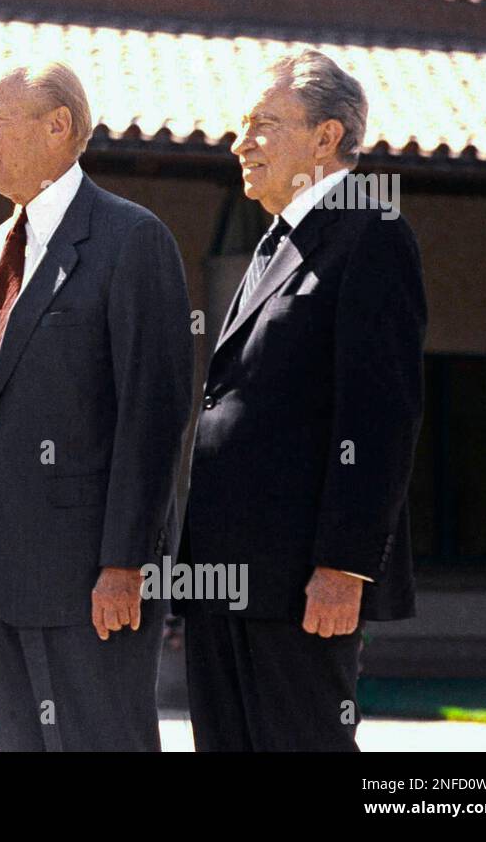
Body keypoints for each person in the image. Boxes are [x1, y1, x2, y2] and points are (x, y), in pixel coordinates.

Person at [179, 50, 426, 751]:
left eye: (263, 124)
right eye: (241, 126)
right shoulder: (273, 245)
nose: (240, 142)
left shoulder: (371, 234)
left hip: (298, 580)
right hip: (227, 571)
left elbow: (381, 417)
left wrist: (344, 566)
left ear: (326, 138)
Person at [0, 62, 194, 751]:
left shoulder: (130, 239)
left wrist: (125, 563)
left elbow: (152, 415)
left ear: (58, 126)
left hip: (92, 580)